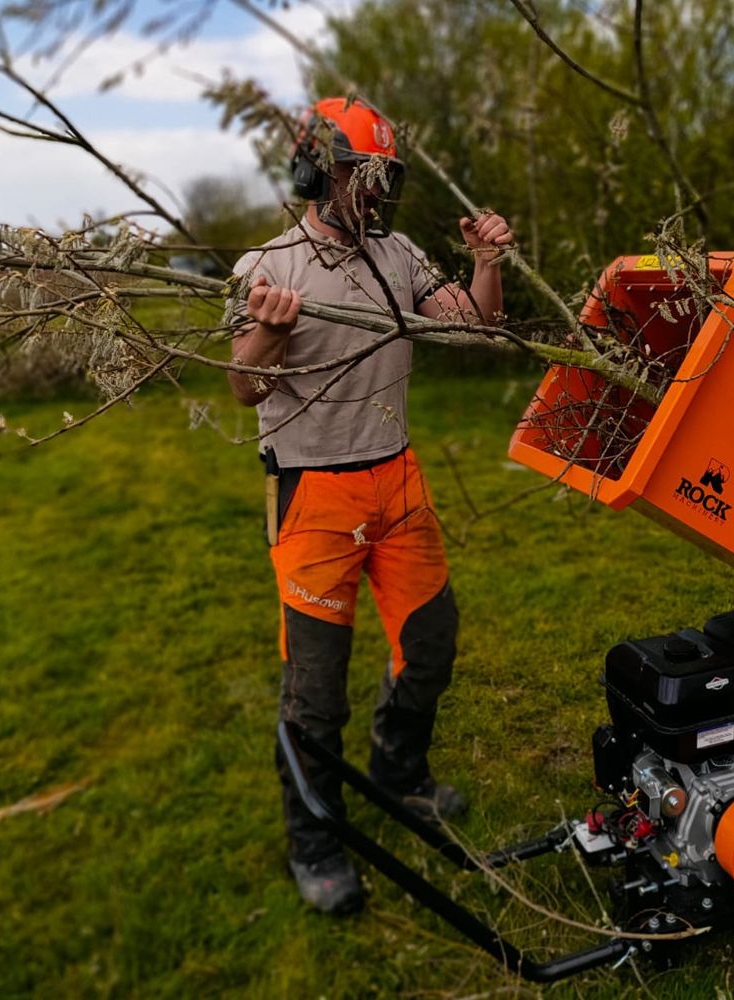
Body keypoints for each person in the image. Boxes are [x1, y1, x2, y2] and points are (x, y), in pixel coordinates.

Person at [226, 96, 513, 916]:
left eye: (386, 177)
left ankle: (400, 774)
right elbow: (245, 384)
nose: (376, 192)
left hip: (397, 480)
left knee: (431, 647)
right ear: (320, 171)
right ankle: (314, 841)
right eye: (362, 175)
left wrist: (487, 262)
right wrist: (271, 333)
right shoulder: (266, 266)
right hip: (314, 493)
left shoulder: (399, 255)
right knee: (315, 695)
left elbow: (477, 329)